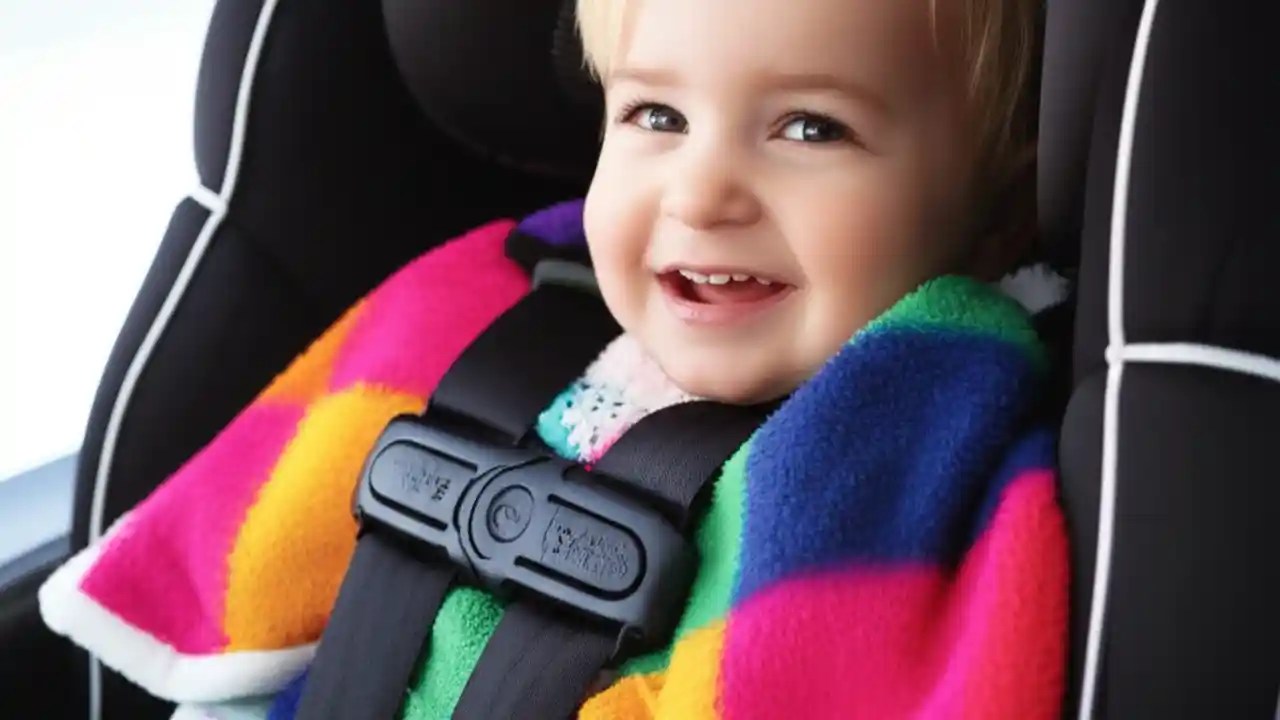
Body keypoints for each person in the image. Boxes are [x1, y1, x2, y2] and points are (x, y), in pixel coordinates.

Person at [40, 1, 1066, 717]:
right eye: (656, 116)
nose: (700, 193)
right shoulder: (497, 321)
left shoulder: (925, 449)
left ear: (994, 216)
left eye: (810, 128)